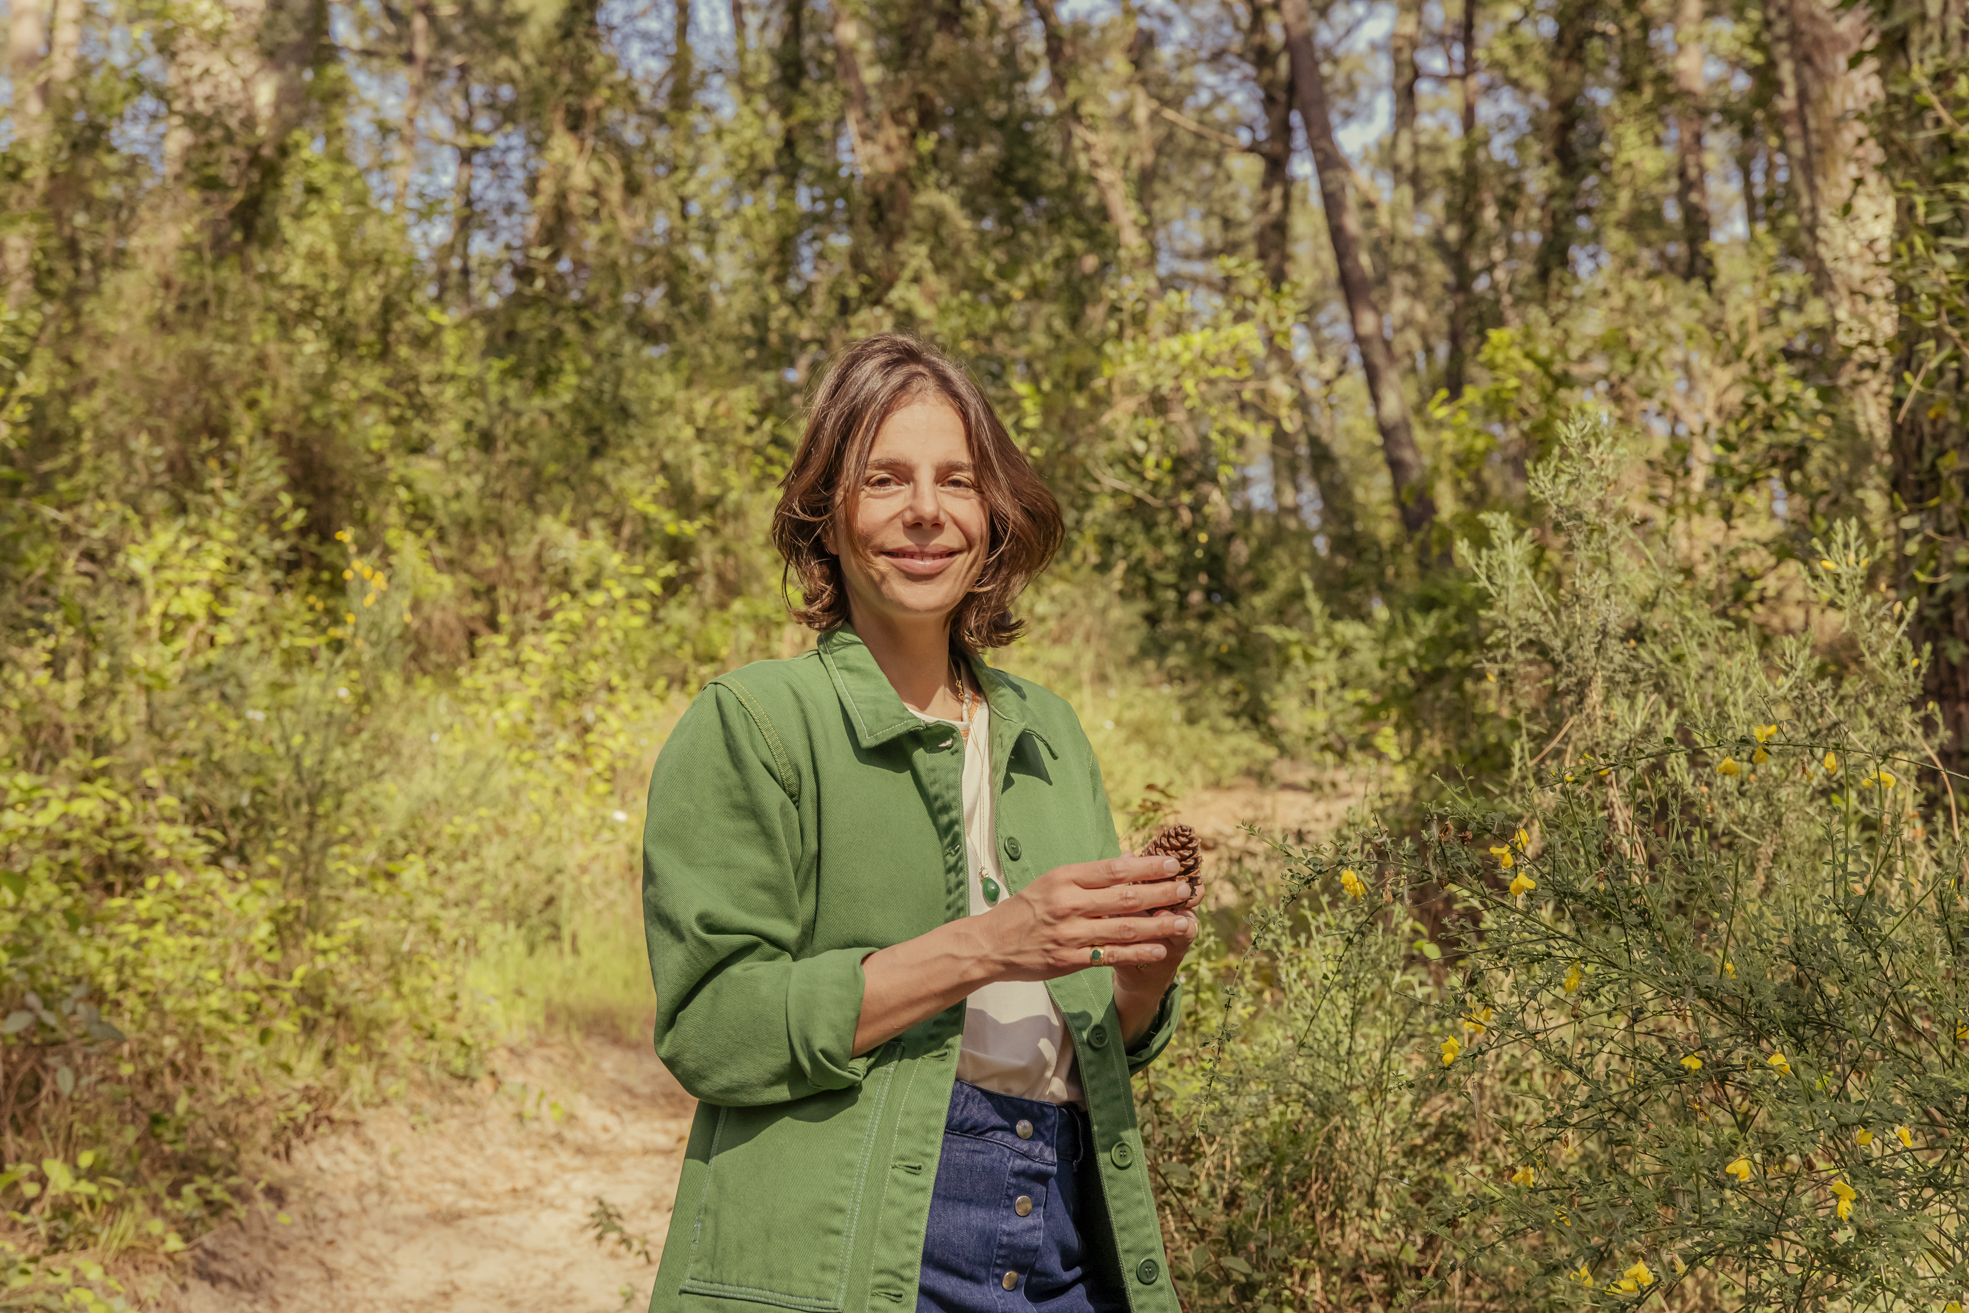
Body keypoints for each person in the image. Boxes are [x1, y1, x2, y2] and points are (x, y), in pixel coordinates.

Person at [640, 334, 1198, 1313]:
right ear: (826, 509)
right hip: (851, 1235)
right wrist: (988, 943)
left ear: (994, 514)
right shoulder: (755, 720)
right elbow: (711, 1026)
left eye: (957, 479)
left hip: (1062, 1221)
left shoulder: (1051, 732)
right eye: (885, 478)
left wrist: (1142, 983)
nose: (926, 511)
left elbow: (1090, 1036)